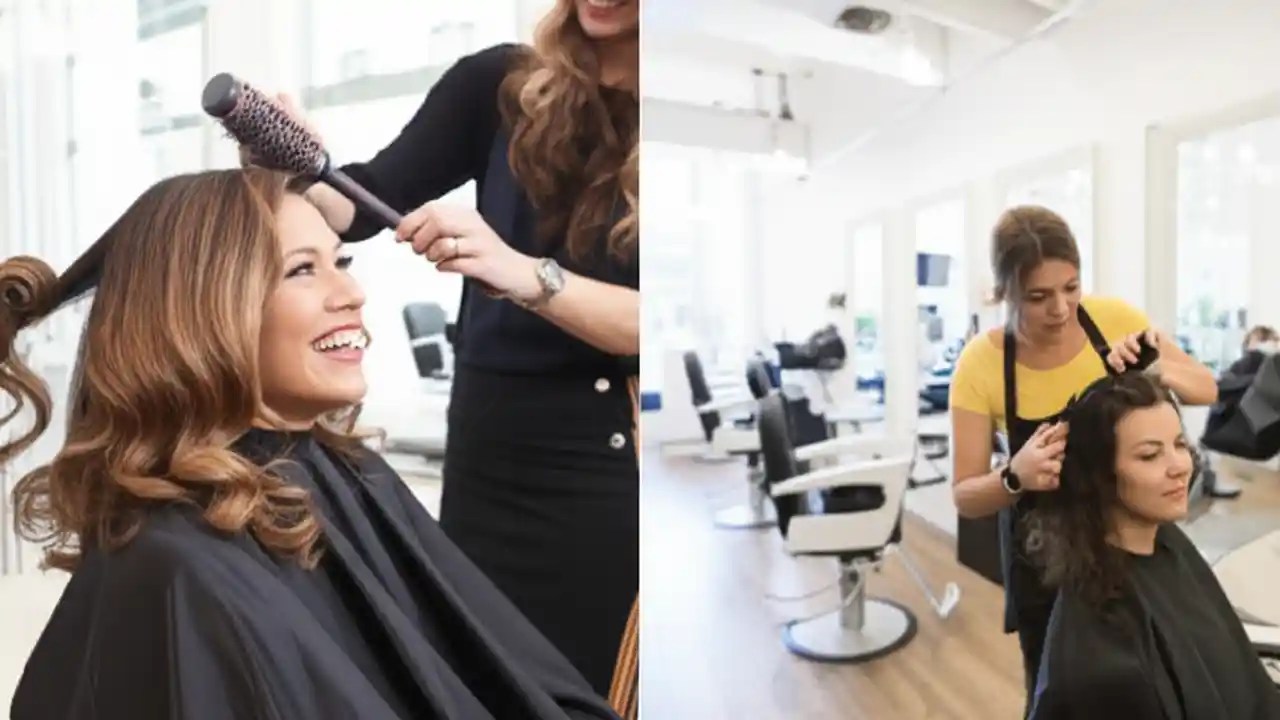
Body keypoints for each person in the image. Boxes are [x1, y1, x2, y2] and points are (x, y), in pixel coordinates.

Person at [3, 168, 619, 720]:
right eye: (302, 269)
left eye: (341, 263)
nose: (352, 295)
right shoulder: (183, 570)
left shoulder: (352, 472)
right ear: (201, 310)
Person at [242, 0, 640, 698]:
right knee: (480, 670)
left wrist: (525, 275)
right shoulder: (499, 86)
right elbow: (361, 207)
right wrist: (305, 168)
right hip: (491, 446)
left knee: (584, 682)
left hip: (607, 461)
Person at [948, 205, 1218, 712]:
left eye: (1071, 287)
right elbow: (965, 496)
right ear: (1004, 292)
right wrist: (1015, 475)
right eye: (1039, 296)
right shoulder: (981, 365)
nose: (1061, 308)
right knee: (1061, 693)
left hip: (1132, 541)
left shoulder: (1114, 320)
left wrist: (1159, 367)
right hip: (1046, 563)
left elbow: (1207, 387)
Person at [1025, 372, 1280, 718]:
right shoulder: (1102, 662)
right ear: (1101, 474)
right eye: (1149, 456)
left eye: (1179, 444)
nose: (1180, 467)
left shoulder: (1168, 543)